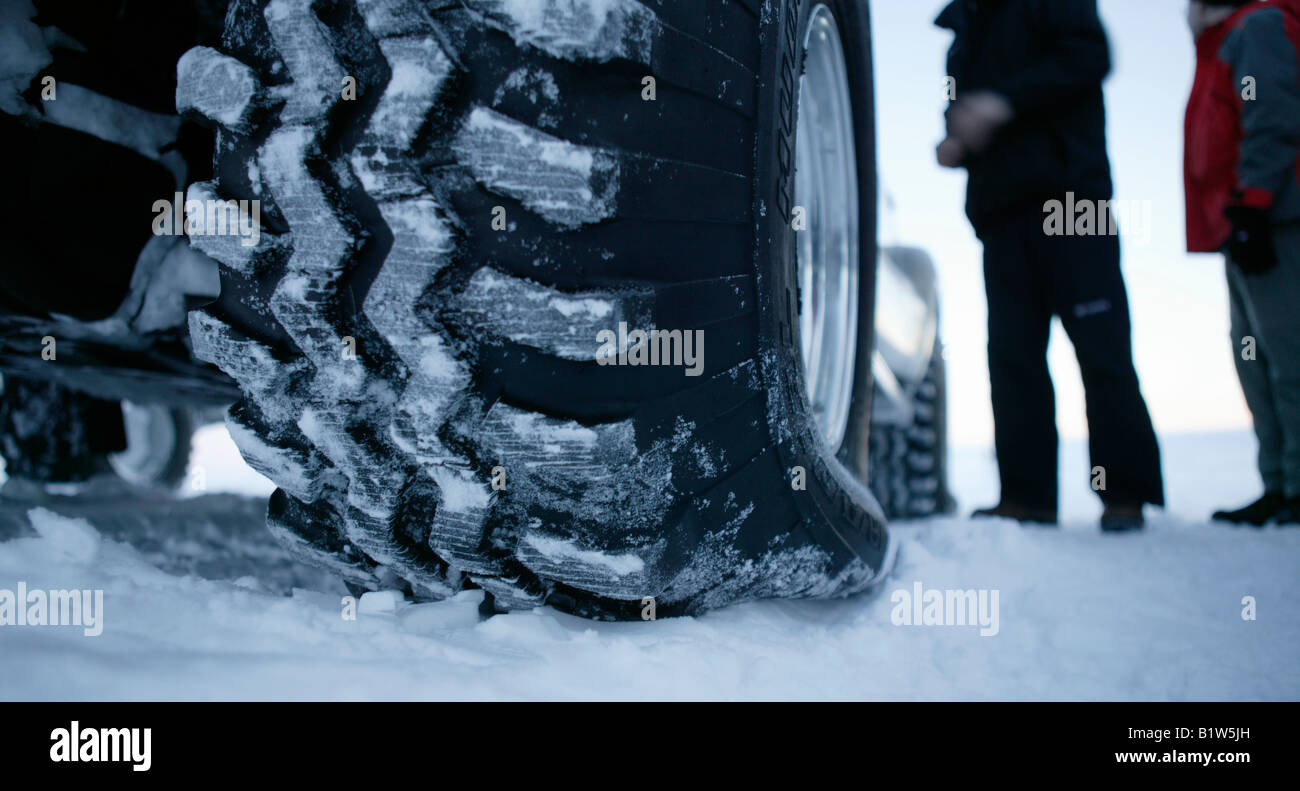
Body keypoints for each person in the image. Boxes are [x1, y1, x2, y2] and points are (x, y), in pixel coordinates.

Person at [935, 0, 1164, 531]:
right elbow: (965, 113)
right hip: (999, 212)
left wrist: (1003, 102)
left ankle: (1123, 494)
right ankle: (1026, 497)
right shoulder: (963, 32)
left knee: (1100, 345)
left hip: (1072, 199)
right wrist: (957, 142)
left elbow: (1090, 56)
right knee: (1012, 357)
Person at [1185, 0, 1300, 527]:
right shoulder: (1225, 40)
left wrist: (1254, 202)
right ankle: (1280, 483)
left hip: (1274, 217)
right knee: (1255, 359)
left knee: (1288, 354)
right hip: (1241, 224)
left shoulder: (1259, 24)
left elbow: (1273, 114)